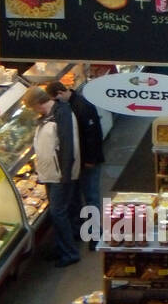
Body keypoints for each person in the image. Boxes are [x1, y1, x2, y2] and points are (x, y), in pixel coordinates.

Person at [21, 85, 80, 266]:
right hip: (51, 173)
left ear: (38, 104)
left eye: (32, 108)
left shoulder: (61, 115)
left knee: (58, 213)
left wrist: (65, 175)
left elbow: (68, 147)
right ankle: (62, 247)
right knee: (60, 212)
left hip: (60, 174)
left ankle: (70, 253)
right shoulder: (49, 116)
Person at [44, 80, 105, 250]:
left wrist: (90, 160)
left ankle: (95, 236)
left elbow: (93, 136)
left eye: (54, 100)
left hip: (87, 162)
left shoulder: (82, 107)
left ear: (60, 93)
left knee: (91, 198)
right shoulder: (68, 106)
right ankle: (79, 231)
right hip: (77, 162)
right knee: (76, 199)